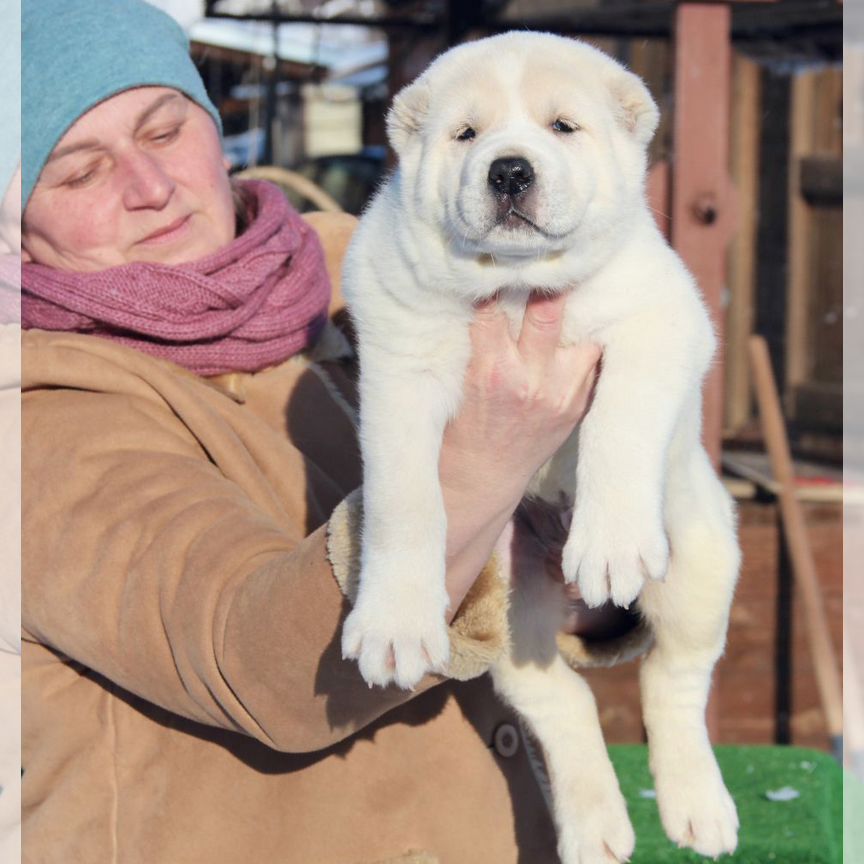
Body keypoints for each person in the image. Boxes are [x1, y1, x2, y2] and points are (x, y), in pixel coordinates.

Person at [20, 2, 649, 862]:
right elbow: (262, 665)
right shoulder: (41, 418)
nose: (149, 185)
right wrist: (479, 468)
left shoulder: (364, 269)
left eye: (165, 130)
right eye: (80, 173)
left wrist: (587, 571)